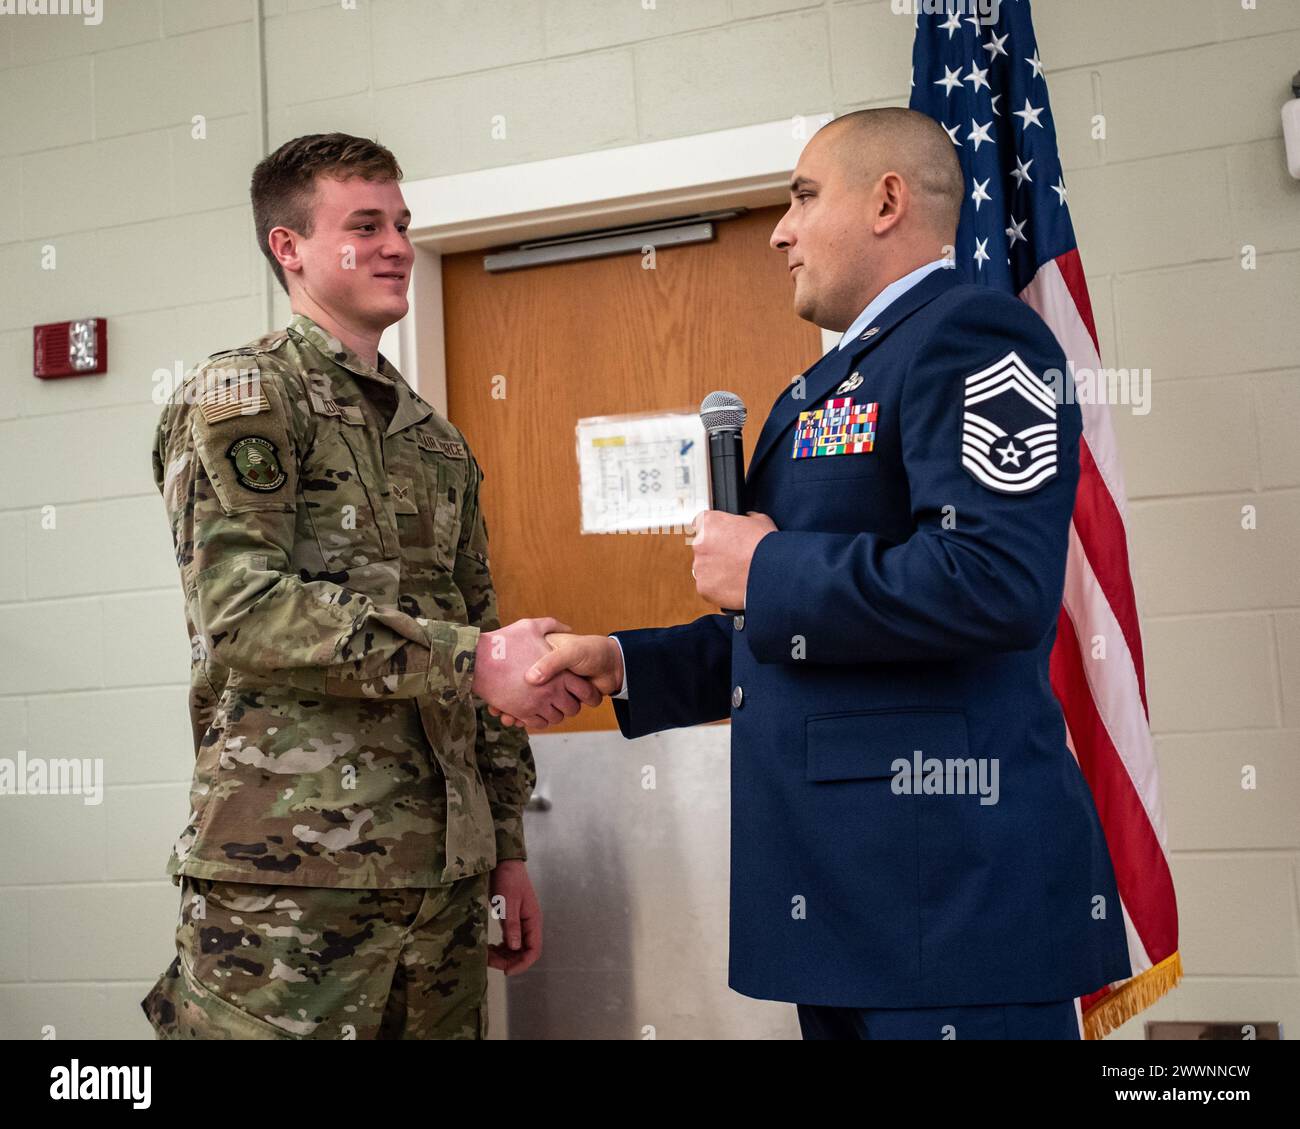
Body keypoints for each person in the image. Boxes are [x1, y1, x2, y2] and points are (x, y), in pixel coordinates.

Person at [516, 108, 1132, 1040]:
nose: (780, 229)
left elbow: (993, 580)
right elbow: (803, 632)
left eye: (803, 196)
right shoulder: (829, 385)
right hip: (848, 907)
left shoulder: (976, 338)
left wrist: (766, 563)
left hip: (951, 908)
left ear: (887, 200)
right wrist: (620, 660)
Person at [142, 133, 600, 1040]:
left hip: (442, 885)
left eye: (402, 222)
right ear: (290, 247)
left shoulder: (436, 440)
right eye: (365, 224)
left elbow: (483, 625)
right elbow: (244, 613)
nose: (397, 244)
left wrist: (505, 848)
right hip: (291, 888)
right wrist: (474, 662)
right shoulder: (244, 394)